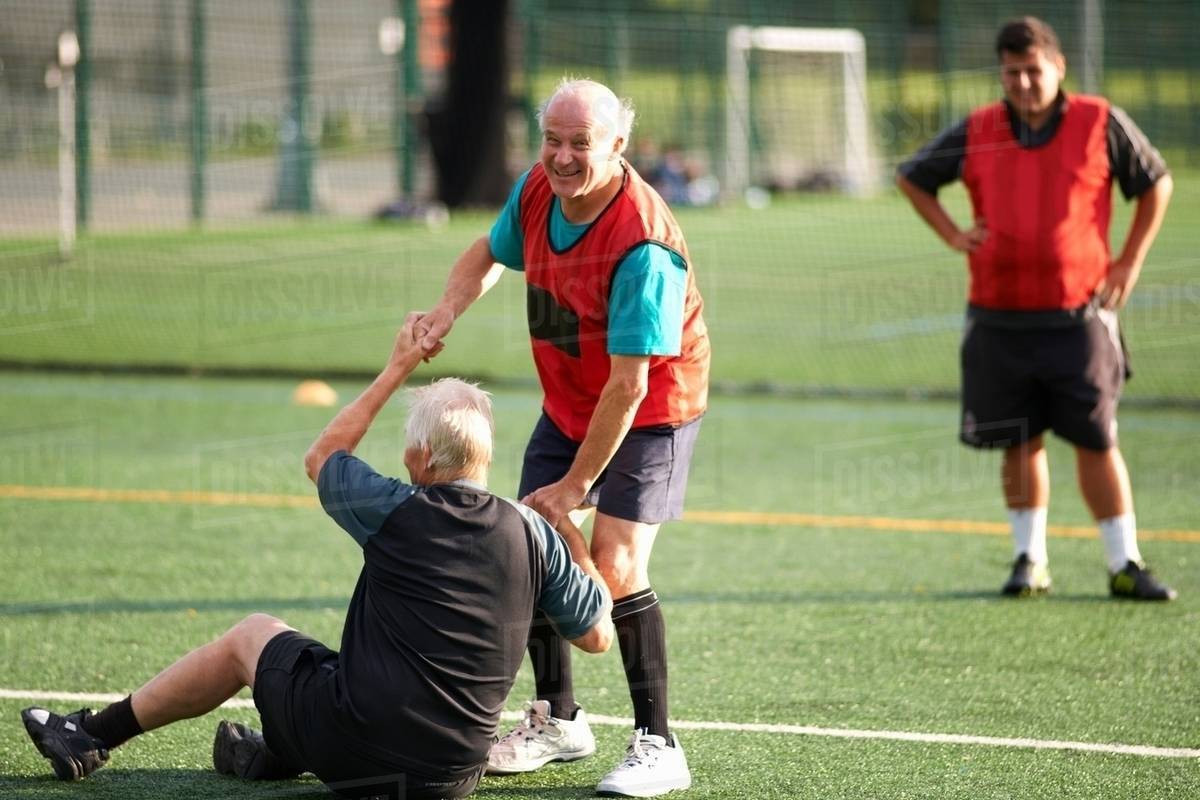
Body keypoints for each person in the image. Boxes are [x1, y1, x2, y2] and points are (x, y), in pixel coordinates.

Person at [20, 316, 613, 799]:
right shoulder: (533, 534)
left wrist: (398, 366)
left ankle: (90, 736)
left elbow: (322, 455)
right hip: (453, 778)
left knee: (253, 637)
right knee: (333, 667)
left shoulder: (393, 507)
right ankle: (274, 750)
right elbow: (596, 637)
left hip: (357, 753)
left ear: (422, 456)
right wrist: (572, 537)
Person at [414, 77, 710, 796]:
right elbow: (486, 255)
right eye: (553, 139)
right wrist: (446, 311)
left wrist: (577, 485)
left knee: (611, 564)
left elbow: (631, 385)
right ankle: (560, 719)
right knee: (525, 549)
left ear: (617, 146)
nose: (564, 156)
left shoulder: (644, 244)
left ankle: (659, 744)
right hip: (572, 399)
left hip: (650, 407)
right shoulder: (538, 192)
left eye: (581, 143)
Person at [896, 17, 1176, 600]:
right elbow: (913, 177)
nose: (1023, 84)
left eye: (1033, 71)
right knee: (1019, 441)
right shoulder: (980, 128)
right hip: (998, 317)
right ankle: (1030, 559)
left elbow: (1156, 182)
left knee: (1097, 439)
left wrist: (1128, 262)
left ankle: (1124, 562)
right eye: (1011, 73)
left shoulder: (1100, 121)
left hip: (1079, 316)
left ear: (1058, 67)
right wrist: (952, 234)